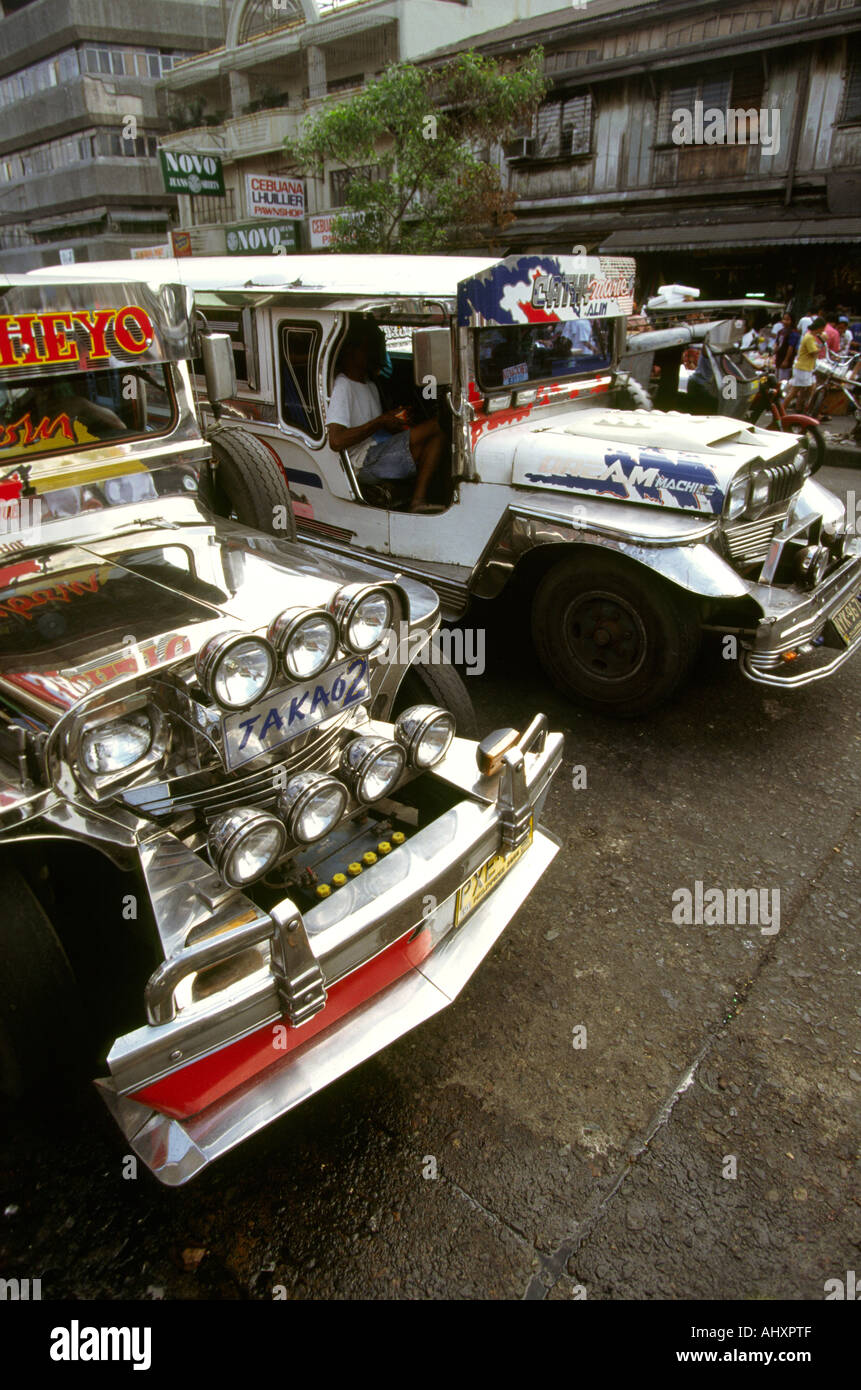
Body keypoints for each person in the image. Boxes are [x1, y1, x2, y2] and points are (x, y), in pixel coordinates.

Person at [326, 320, 444, 513]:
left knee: (437, 438)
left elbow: (376, 428)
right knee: (437, 425)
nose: (372, 354)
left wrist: (394, 422)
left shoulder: (370, 385)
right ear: (351, 352)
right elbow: (336, 440)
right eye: (366, 349)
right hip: (363, 461)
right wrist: (380, 421)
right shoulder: (343, 386)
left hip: (379, 448)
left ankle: (417, 501)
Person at [783, 316, 825, 413]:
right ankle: (782, 409)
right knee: (795, 391)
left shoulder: (811, 337)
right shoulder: (809, 337)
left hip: (807, 368)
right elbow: (814, 352)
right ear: (819, 328)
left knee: (809, 388)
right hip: (803, 368)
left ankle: (800, 408)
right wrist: (822, 344)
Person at [773, 312, 799, 384]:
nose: (785, 321)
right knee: (776, 378)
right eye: (784, 319)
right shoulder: (781, 331)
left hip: (786, 358)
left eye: (787, 320)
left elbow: (790, 347)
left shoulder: (793, 333)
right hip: (779, 357)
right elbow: (777, 343)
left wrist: (786, 360)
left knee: (783, 380)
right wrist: (775, 349)